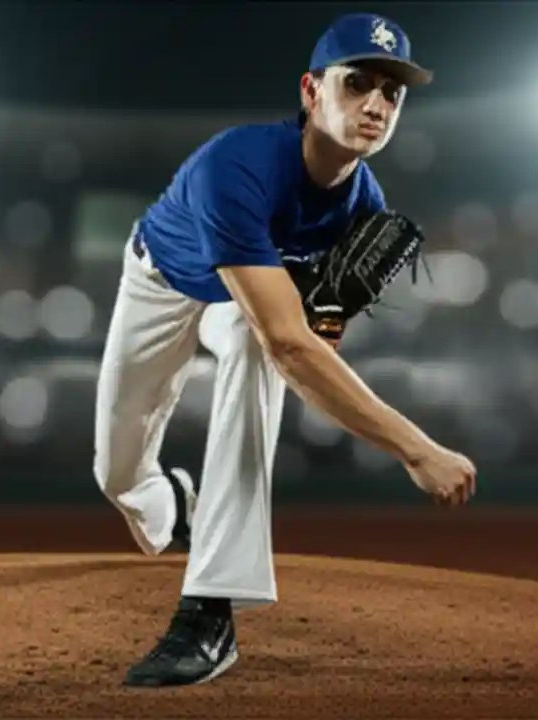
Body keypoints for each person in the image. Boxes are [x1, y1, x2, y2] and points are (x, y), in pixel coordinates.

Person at [92, 12, 477, 688]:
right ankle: (174, 506)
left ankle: (210, 608)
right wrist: (418, 449)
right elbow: (293, 346)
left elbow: (304, 343)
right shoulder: (236, 166)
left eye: (393, 92)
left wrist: (323, 322)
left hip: (232, 307)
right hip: (160, 282)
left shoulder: (365, 206)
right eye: (357, 82)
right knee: (117, 474)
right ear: (310, 90)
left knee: (253, 340)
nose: (377, 104)